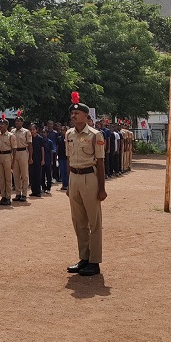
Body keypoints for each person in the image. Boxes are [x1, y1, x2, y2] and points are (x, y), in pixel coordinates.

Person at [66, 95, 107, 277]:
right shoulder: (69, 134)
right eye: (72, 113)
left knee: (94, 221)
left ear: (85, 115)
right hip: (74, 177)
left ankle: (94, 261)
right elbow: (69, 159)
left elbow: (101, 162)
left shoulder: (95, 135)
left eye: (77, 113)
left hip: (90, 177)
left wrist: (102, 188)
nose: (73, 116)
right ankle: (84, 258)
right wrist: (68, 184)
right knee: (78, 221)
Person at [12, 114, 32, 202]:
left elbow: (30, 145)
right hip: (14, 153)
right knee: (16, 174)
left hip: (23, 152)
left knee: (24, 175)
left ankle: (24, 194)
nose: (17, 122)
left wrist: (30, 157)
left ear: (22, 122)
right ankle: (17, 193)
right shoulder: (12, 131)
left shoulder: (26, 132)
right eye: (16, 121)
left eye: (19, 121)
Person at [0, 117, 15, 206]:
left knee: (8, 177)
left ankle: (8, 196)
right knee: (1, 177)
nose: (1, 125)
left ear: (7, 126)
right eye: (0, 124)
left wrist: (13, 161)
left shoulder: (11, 135)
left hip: (7, 155)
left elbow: (14, 149)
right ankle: (3, 196)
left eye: (3, 124)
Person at [29, 124, 46, 197]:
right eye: (31, 129)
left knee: (38, 175)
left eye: (33, 129)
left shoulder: (40, 138)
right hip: (31, 158)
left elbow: (42, 149)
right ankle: (33, 191)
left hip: (38, 158)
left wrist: (43, 159)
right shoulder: (29, 138)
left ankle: (38, 191)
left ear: (36, 130)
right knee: (32, 175)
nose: (32, 131)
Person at [57, 124, 69, 190]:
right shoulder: (59, 138)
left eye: (64, 130)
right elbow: (57, 147)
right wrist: (56, 155)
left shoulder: (69, 138)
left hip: (67, 157)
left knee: (67, 170)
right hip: (61, 156)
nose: (63, 131)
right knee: (62, 170)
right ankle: (64, 184)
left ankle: (68, 184)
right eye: (62, 130)